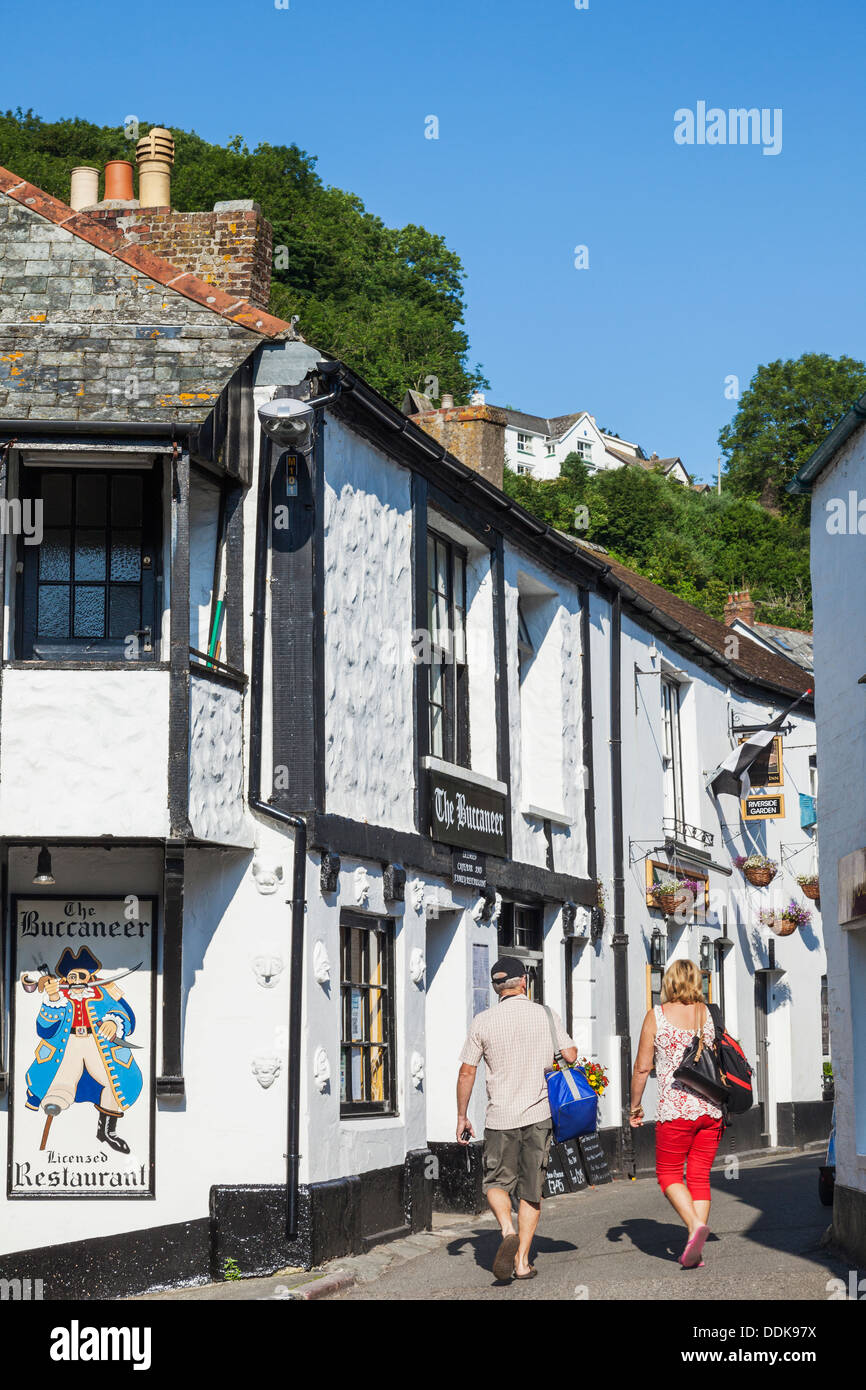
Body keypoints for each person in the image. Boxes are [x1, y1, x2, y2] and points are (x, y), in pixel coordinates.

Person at [456, 955, 577, 1282]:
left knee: (495, 1182)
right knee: (530, 1189)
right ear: (524, 981)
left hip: (500, 1118)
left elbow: (467, 1071)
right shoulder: (546, 1015)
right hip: (539, 1116)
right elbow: (570, 1055)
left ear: (497, 988)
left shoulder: (482, 1021)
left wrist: (461, 1115)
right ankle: (522, 1261)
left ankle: (506, 1228)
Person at [629, 958, 724, 1269]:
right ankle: (693, 1247)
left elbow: (643, 1068)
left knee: (669, 1174)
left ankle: (695, 1227)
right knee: (698, 1176)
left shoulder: (656, 1016)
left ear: (667, 982)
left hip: (676, 1109)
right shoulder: (709, 1014)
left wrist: (635, 1105)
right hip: (711, 1109)